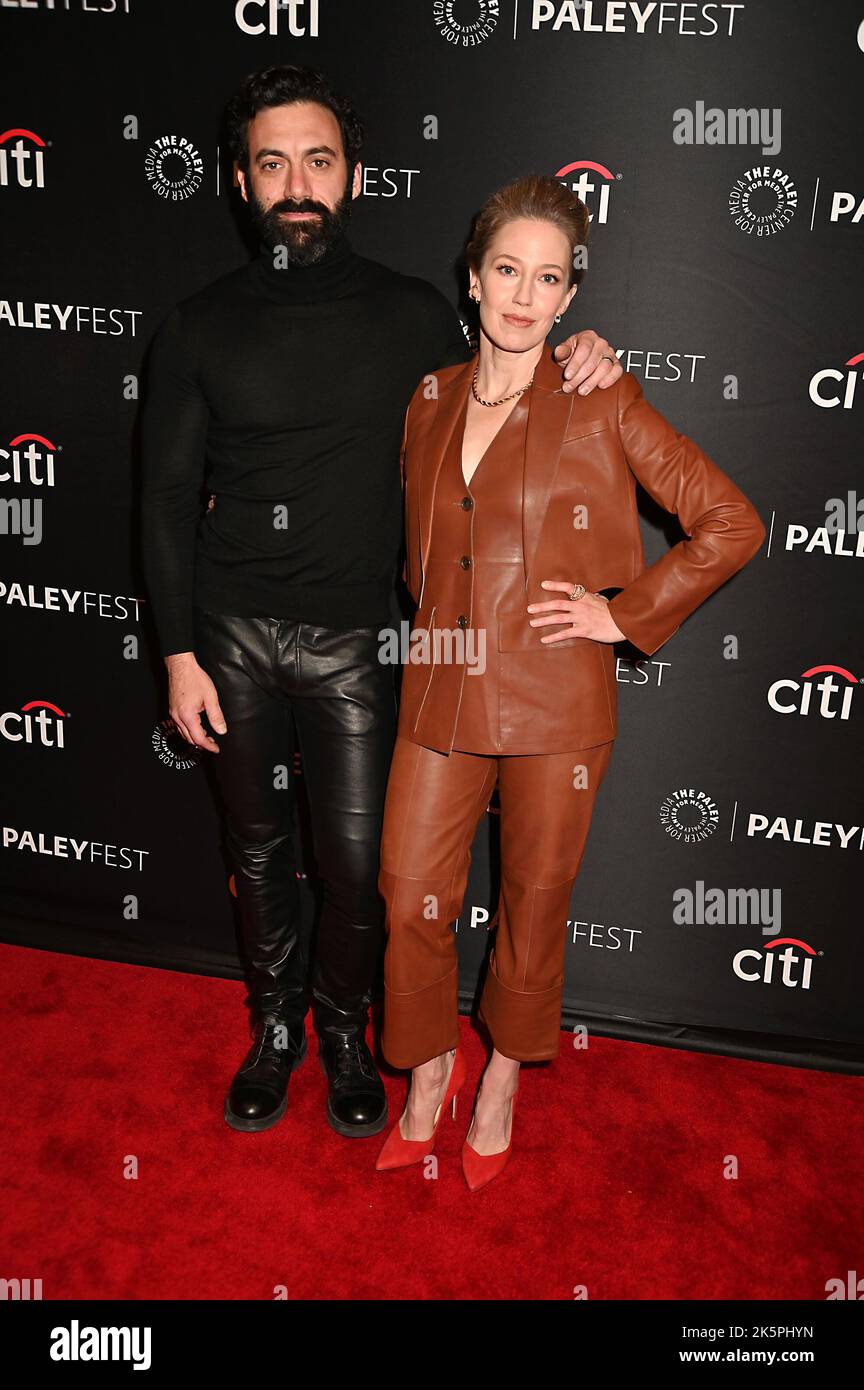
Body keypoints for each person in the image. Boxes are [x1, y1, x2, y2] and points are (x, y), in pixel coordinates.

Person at [139, 66, 624, 1140]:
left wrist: (590, 357)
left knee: (361, 864)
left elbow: (510, 385)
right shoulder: (197, 325)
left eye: (318, 159)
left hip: (364, 640)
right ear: (240, 181)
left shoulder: (414, 317)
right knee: (258, 848)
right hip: (229, 634)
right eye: (273, 162)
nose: (297, 181)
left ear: (352, 176)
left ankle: (346, 1030)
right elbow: (166, 499)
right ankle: (275, 1030)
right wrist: (177, 653)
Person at [375, 173, 766, 1188]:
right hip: (438, 684)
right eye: (507, 269)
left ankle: (501, 1074)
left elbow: (732, 523)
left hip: (557, 698)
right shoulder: (424, 400)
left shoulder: (600, 393)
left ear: (567, 299)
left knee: (534, 903)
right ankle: (425, 1070)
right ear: (473, 279)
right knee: (410, 890)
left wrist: (622, 613)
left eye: (547, 278)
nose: (522, 293)